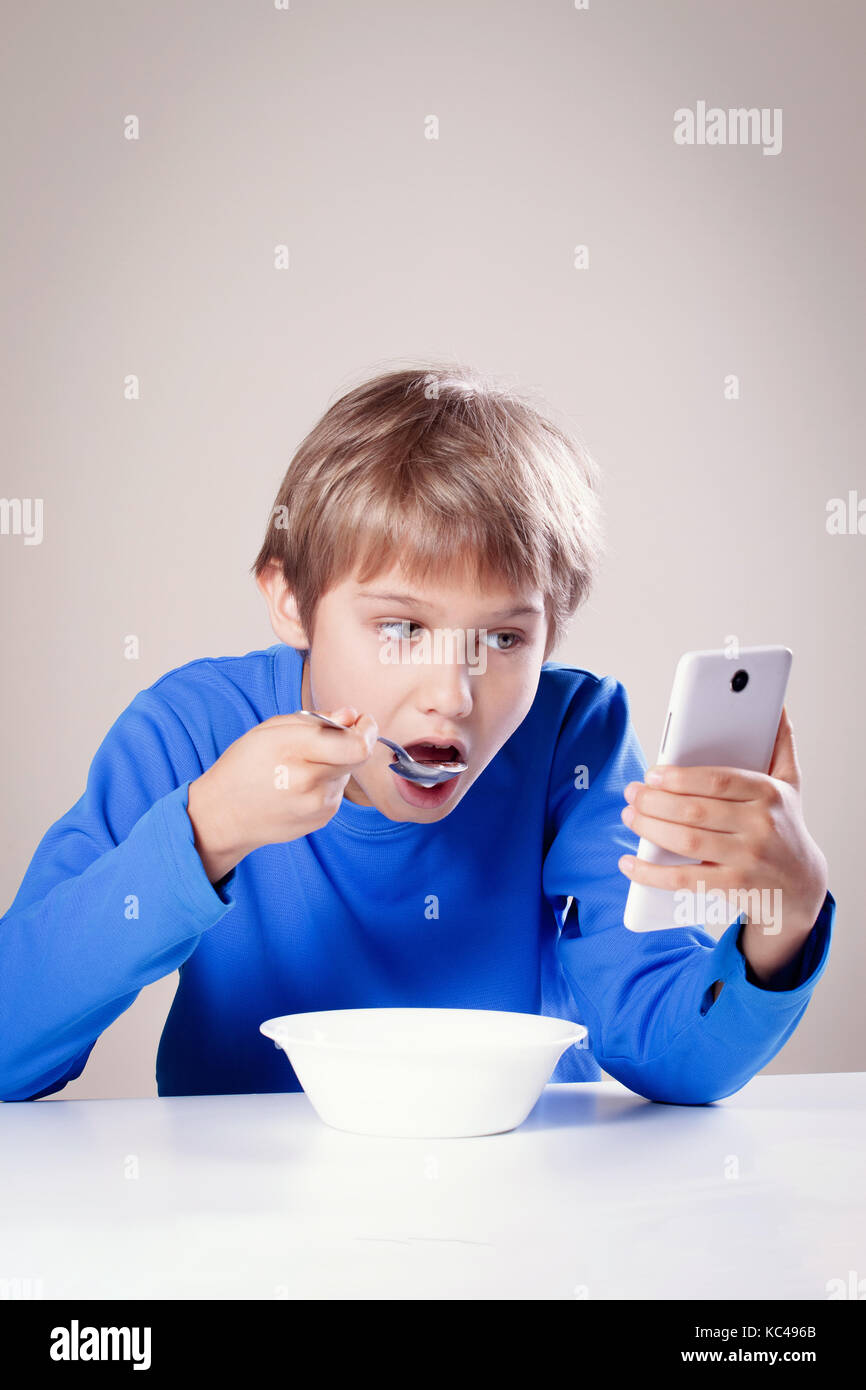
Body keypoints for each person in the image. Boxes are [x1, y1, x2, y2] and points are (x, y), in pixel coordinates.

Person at [0, 363, 834, 1103]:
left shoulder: (573, 738)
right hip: (246, 1228)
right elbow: (11, 1046)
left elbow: (674, 1059)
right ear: (291, 600)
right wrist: (204, 832)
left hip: (526, 1203)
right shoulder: (187, 731)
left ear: (554, 631)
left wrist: (783, 918)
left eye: (504, 639)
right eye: (401, 628)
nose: (453, 696)